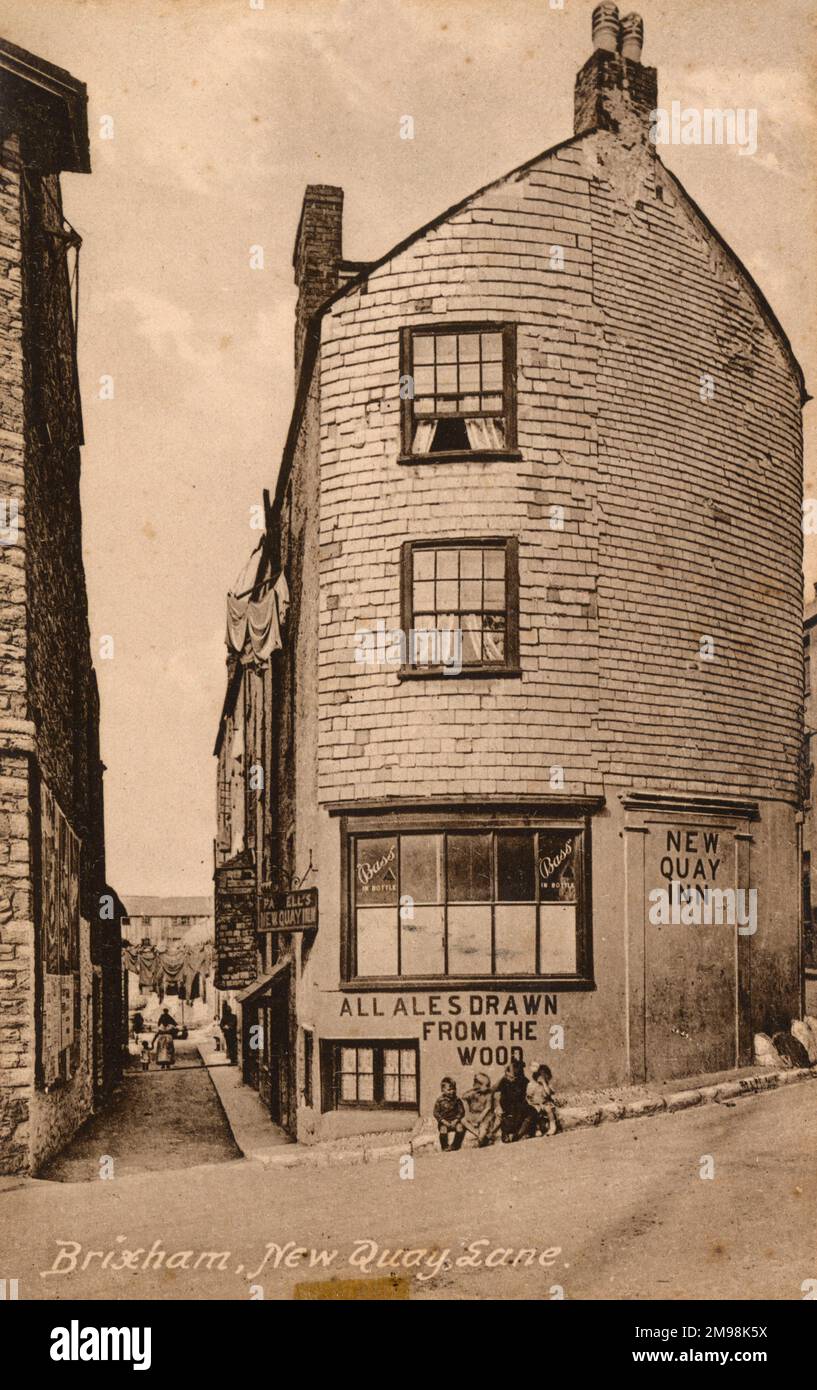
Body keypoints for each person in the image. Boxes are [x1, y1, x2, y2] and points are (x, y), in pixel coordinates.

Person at [495, 1058, 536, 1142]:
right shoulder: (504, 1081)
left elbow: (526, 1093)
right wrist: (504, 1077)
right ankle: (507, 1133)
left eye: (519, 1067)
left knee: (532, 1112)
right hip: (507, 1108)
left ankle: (517, 1136)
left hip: (520, 1107)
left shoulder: (523, 1080)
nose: (519, 1070)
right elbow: (494, 1091)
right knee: (507, 1120)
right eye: (516, 1067)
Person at [461, 1072, 500, 1147]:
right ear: (477, 1085)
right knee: (463, 1120)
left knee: (484, 1126)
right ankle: (478, 1135)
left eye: (488, 1085)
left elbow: (488, 1108)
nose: (488, 1087)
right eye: (486, 1085)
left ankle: (481, 1139)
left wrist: (480, 1119)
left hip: (485, 1116)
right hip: (474, 1115)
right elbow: (463, 1097)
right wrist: (474, 1090)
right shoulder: (473, 1093)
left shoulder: (488, 1094)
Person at [433, 1076, 466, 1151]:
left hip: (455, 1121)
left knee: (460, 1128)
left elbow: (461, 1111)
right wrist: (443, 1121)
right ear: (442, 1090)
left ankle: (455, 1145)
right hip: (444, 1122)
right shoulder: (440, 1100)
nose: (452, 1091)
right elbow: (436, 1113)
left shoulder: (457, 1100)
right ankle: (445, 1146)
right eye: (449, 1090)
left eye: (454, 1089)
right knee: (443, 1129)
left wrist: (456, 1120)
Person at [527, 1062, 559, 1136]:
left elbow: (548, 1093)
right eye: (540, 1075)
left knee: (548, 1108)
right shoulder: (532, 1085)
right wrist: (534, 1104)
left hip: (546, 1103)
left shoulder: (547, 1084)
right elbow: (529, 1097)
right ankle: (537, 1129)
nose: (541, 1077)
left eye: (544, 1075)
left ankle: (552, 1126)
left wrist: (544, 1083)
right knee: (535, 1111)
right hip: (535, 1104)